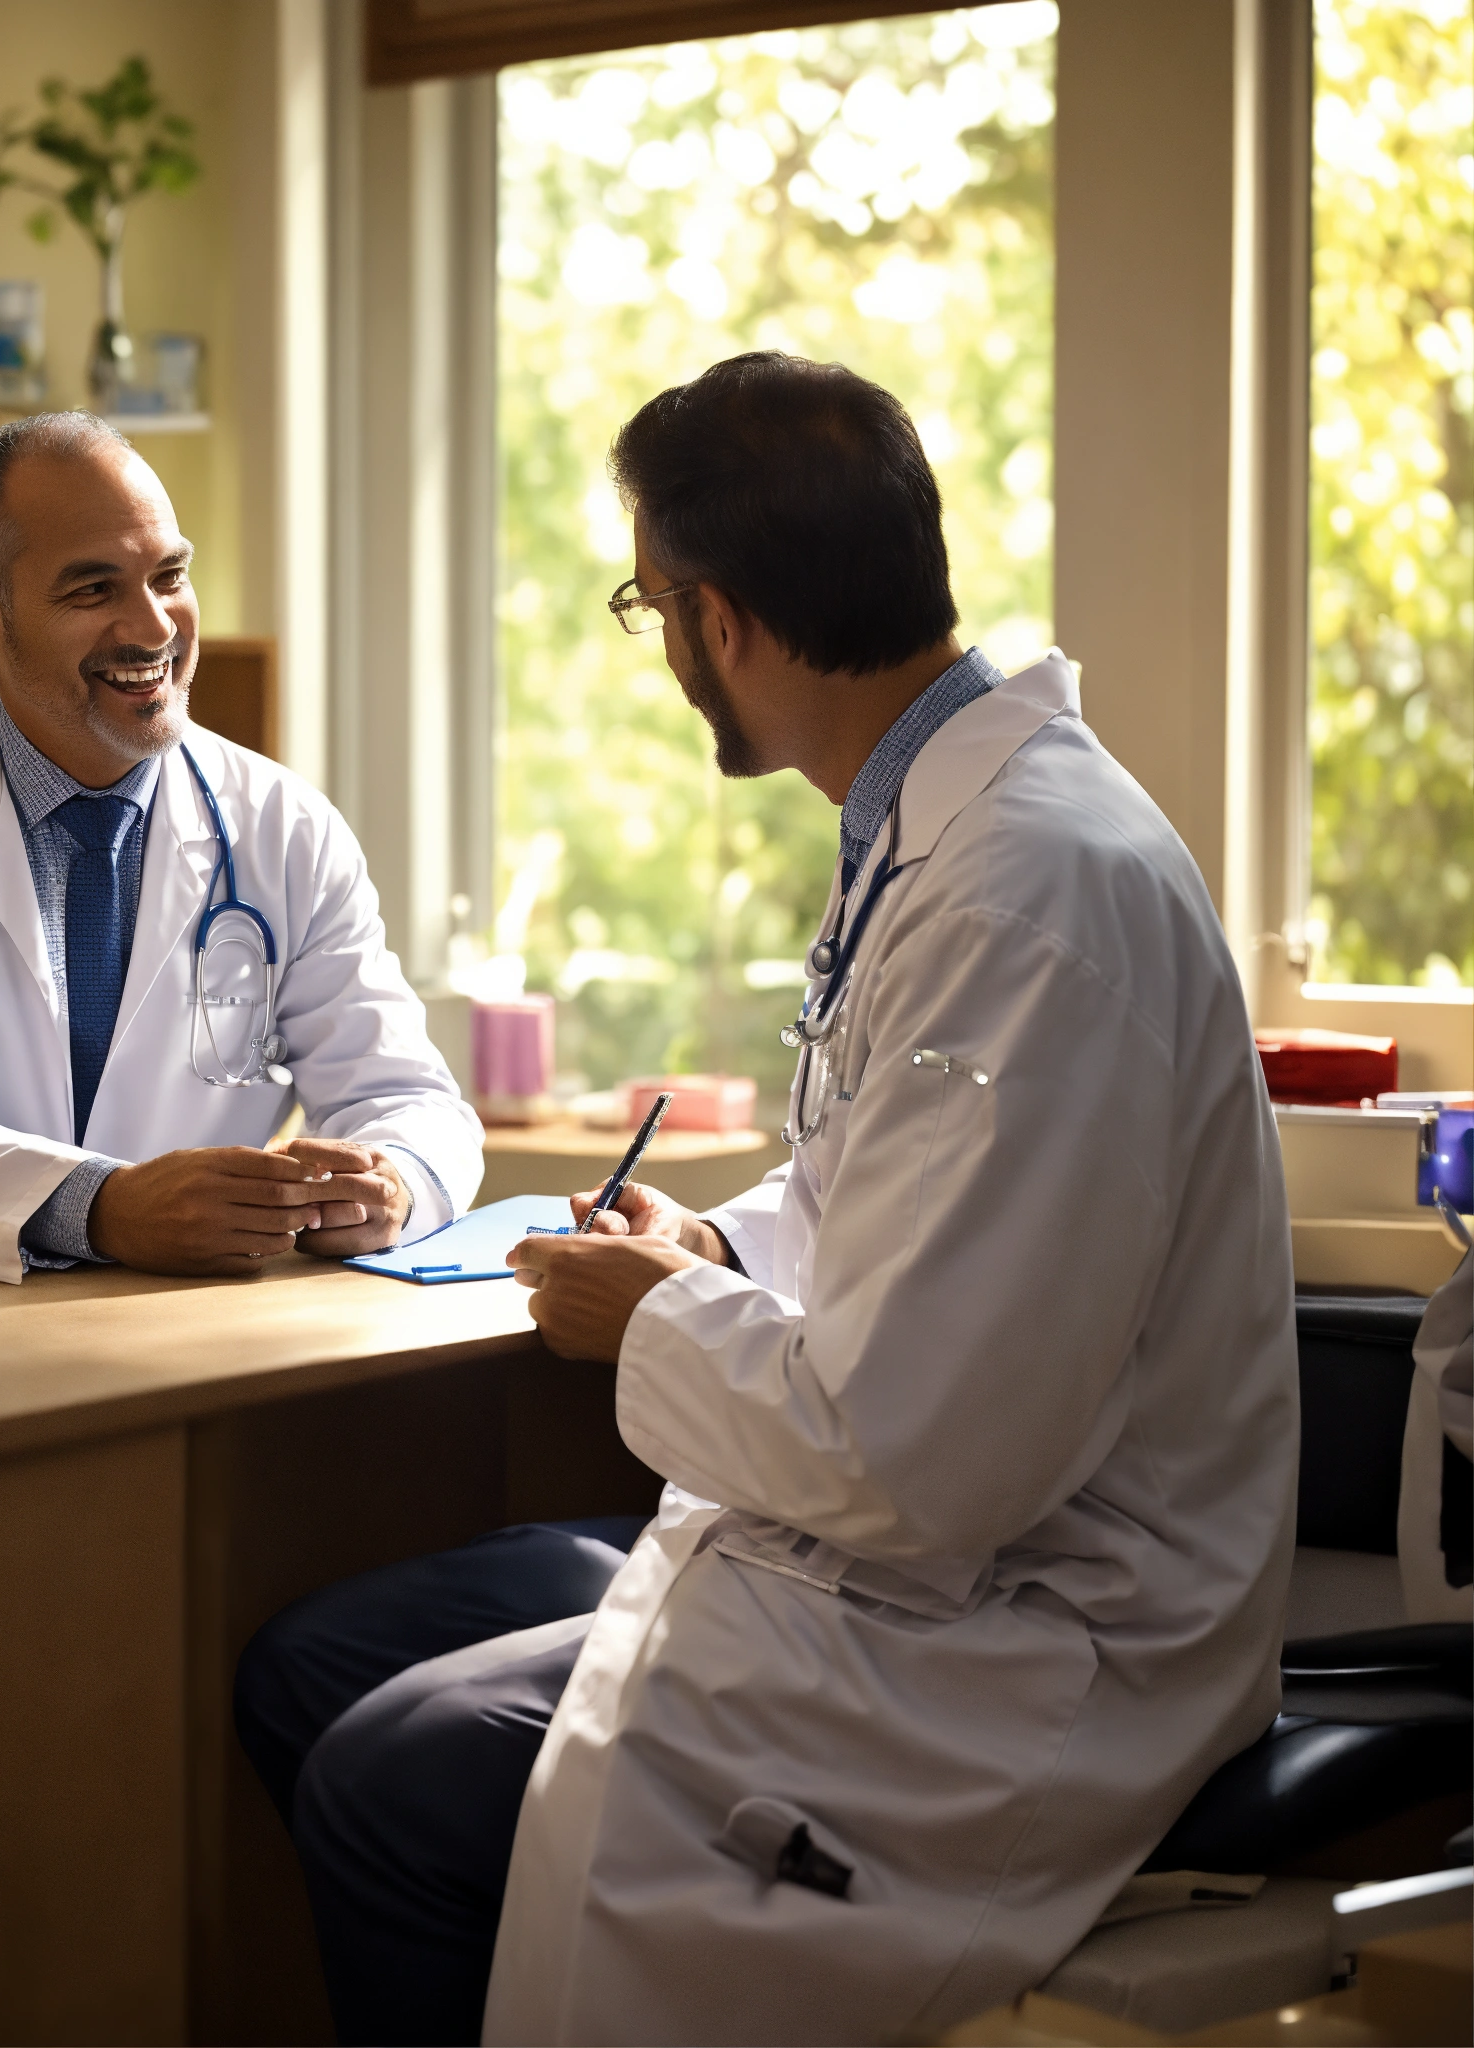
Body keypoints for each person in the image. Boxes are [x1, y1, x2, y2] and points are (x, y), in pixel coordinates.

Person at [233, 354, 1297, 2045]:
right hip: (907, 1569)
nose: (659, 649)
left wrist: (652, 1313)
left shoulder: (1024, 891)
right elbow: (914, 1185)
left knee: (380, 1781)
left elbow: (924, 1447)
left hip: (1022, 1634)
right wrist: (723, 1241)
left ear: (721, 620)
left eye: (647, 605)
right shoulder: (942, 834)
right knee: (313, 1663)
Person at [0, 413, 481, 1280]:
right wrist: (98, 1206)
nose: (153, 628)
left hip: (203, 1329)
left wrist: (389, 1180)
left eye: (169, 575)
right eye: (94, 591)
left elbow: (406, 1097)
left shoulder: (285, 828)